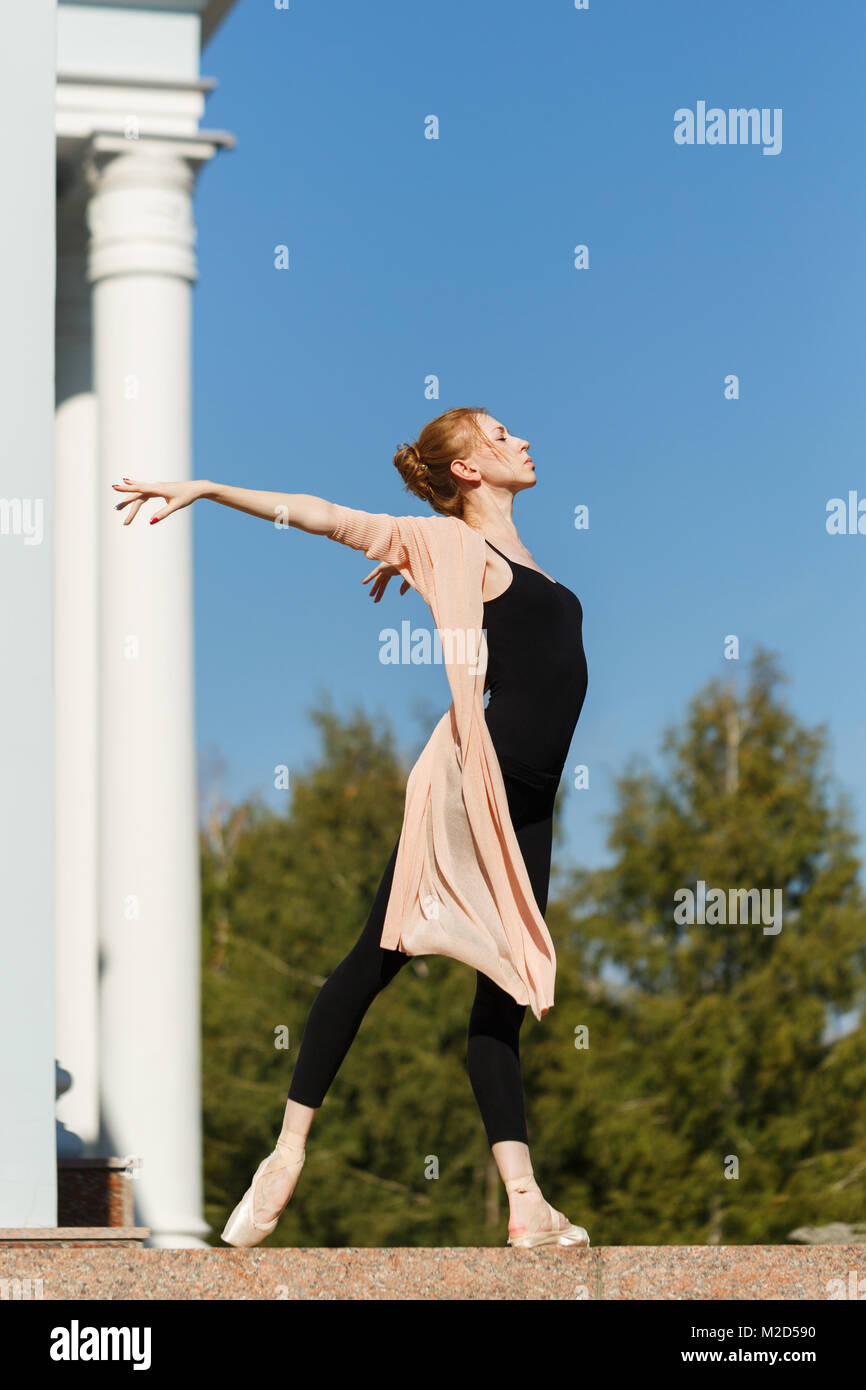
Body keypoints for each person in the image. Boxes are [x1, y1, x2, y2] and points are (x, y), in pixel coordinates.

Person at [111, 406, 589, 1249]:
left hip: (533, 801)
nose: (521, 440)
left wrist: (429, 577)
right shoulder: (446, 542)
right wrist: (211, 488)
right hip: (472, 779)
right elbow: (324, 514)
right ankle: (286, 1154)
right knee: (380, 954)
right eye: (502, 434)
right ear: (471, 468)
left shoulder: (513, 560)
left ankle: (524, 1203)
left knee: (506, 993)